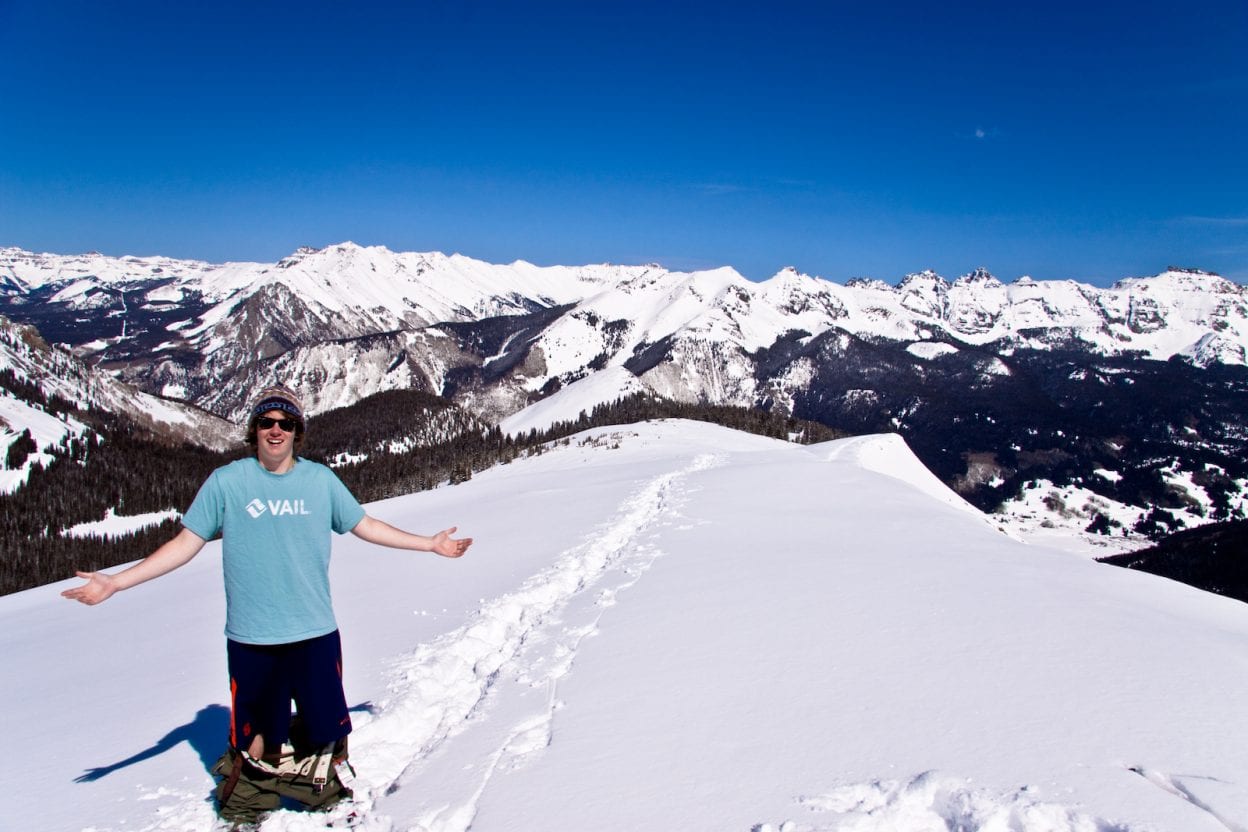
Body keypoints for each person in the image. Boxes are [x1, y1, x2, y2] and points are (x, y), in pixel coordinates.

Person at [62, 384, 472, 824]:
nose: (275, 431)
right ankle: (250, 800)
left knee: (326, 723)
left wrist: (428, 544)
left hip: (314, 632)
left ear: (298, 431)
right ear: (254, 430)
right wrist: (116, 583)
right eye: (266, 422)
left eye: (286, 423)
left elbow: (366, 525)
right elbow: (184, 545)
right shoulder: (227, 483)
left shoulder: (320, 481)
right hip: (252, 637)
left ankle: (324, 790)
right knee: (256, 736)